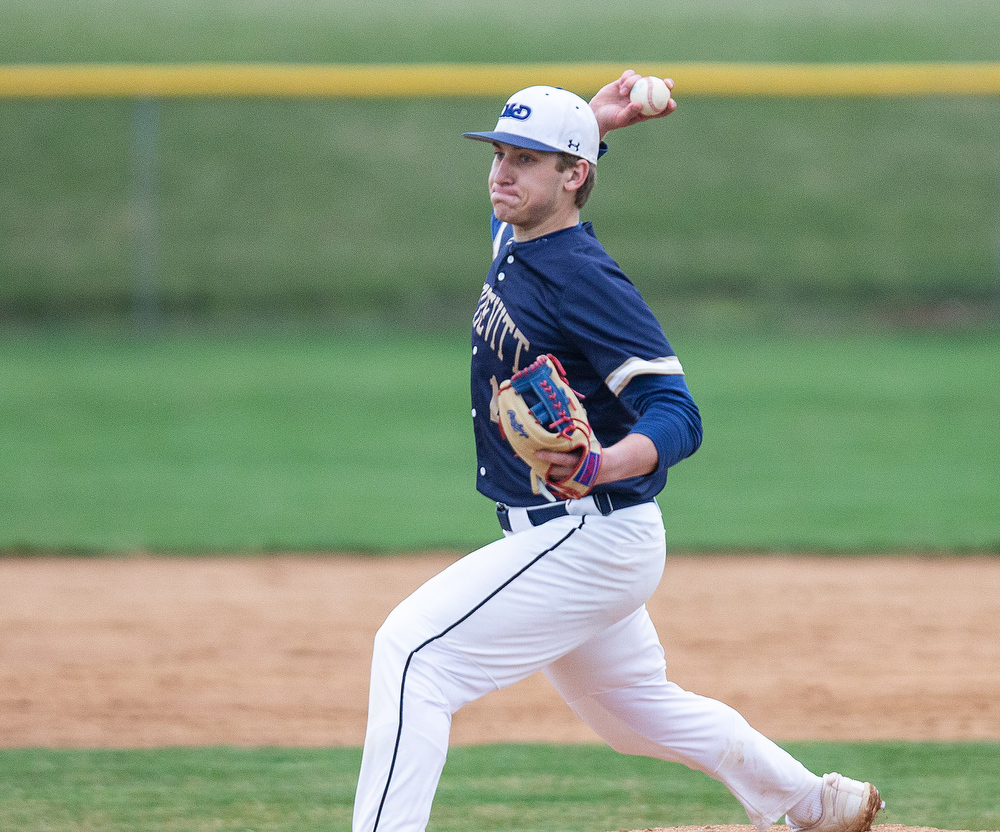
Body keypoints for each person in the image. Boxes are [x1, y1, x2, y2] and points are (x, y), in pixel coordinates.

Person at [352, 70, 882, 832]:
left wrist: (603, 462)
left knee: (413, 655)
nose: (502, 171)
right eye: (500, 152)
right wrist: (594, 123)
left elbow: (677, 412)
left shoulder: (585, 280)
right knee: (633, 716)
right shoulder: (522, 241)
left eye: (527, 159)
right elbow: (524, 208)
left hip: (590, 532)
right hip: (580, 534)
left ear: (574, 179)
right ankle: (815, 804)